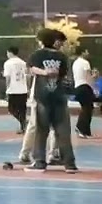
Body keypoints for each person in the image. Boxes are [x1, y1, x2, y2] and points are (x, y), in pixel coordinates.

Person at [27, 29, 77, 173]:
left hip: (43, 97)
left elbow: (32, 68)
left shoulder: (37, 54)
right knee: (63, 131)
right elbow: (62, 74)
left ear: (42, 41)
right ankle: (69, 164)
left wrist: (43, 72)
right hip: (59, 96)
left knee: (41, 130)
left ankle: (39, 161)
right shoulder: (61, 56)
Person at [72, 47, 96, 139]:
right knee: (87, 108)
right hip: (85, 86)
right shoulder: (85, 63)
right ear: (82, 52)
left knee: (87, 107)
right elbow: (88, 77)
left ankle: (86, 131)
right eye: (86, 50)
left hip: (78, 87)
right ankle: (81, 128)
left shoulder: (75, 63)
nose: (88, 52)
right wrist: (93, 87)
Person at [3, 46, 28, 134]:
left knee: (11, 109)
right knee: (22, 109)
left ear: (10, 52)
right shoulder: (23, 63)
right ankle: (23, 125)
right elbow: (26, 76)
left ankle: (23, 123)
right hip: (23, 89)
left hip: (13, 89)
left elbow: (8, 78)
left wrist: (7, 88)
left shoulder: (8, 63)